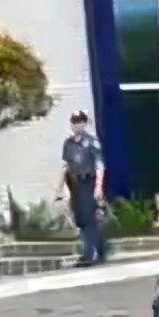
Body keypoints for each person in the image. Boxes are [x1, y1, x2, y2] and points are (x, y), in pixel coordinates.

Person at [57, 111, 106, 266]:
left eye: (80, 122)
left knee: (89, 218)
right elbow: (66, 166)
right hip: (74, 183)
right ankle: (96, 251)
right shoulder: (68, 143)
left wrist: (98, 186)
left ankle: (91, 254)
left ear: (85, 123)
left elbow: (99, 165)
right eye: (74, 122)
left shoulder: (92, 142)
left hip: (88, 182)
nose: (77, 125)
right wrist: (59, 187)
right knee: (81, 219)